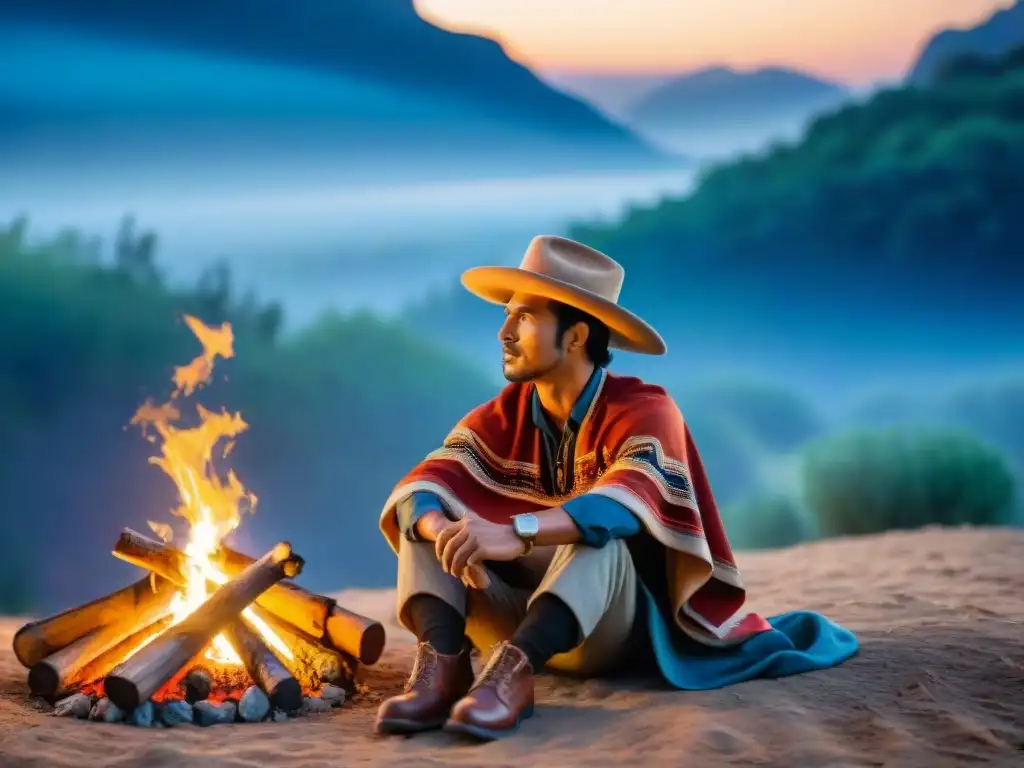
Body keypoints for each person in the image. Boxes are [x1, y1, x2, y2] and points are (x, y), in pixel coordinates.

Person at [375, 236, 857, 742]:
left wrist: (516, 531)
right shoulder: (501, 415)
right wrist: (442, 529)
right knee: (424, 519)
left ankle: (511, 679)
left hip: (600, 634)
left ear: (576, 335)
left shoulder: (646, 409)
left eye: (525, 316)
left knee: (600, 539)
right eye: (507, 315)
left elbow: (624, 504)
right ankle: (443, 669)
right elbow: (421, 488)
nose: (504, 332)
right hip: (507, 618)